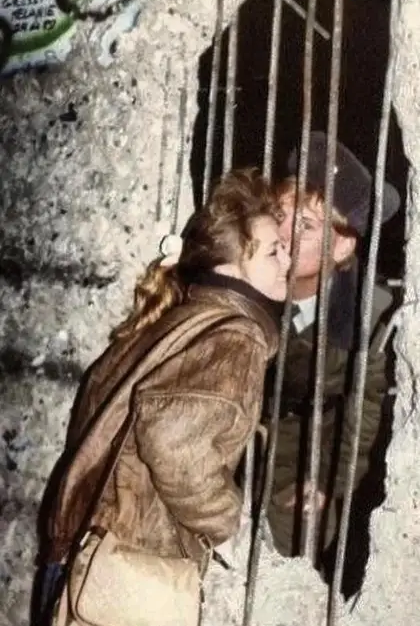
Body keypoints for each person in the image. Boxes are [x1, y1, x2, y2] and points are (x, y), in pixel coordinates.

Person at [34, 168, 290, 626]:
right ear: (232, 267)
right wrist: (224, 524)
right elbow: (174, 442)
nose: (286, 261)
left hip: (81, 550)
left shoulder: (175, 319)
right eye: (274, 251)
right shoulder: (236, 335)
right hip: (128, 566)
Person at [264, 131, 400, 589]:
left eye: (304, 225)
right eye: (278, 214)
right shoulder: (239, 276)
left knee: (287, 550)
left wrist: (326, 484)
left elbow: (364, 417)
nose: (281, 233)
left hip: (305, 448)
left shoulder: (366, 316)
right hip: (231, 439)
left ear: (342, 246)